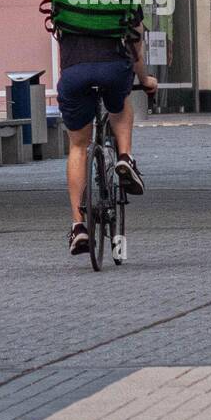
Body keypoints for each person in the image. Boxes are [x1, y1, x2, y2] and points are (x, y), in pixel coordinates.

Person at [57, 25, 158, 257]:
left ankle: (79, 227)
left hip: (74, 72)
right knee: (120, 103)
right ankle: (125, 158)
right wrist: (145, 79)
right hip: (114, 70)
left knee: (78, 146)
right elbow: (134, 46)